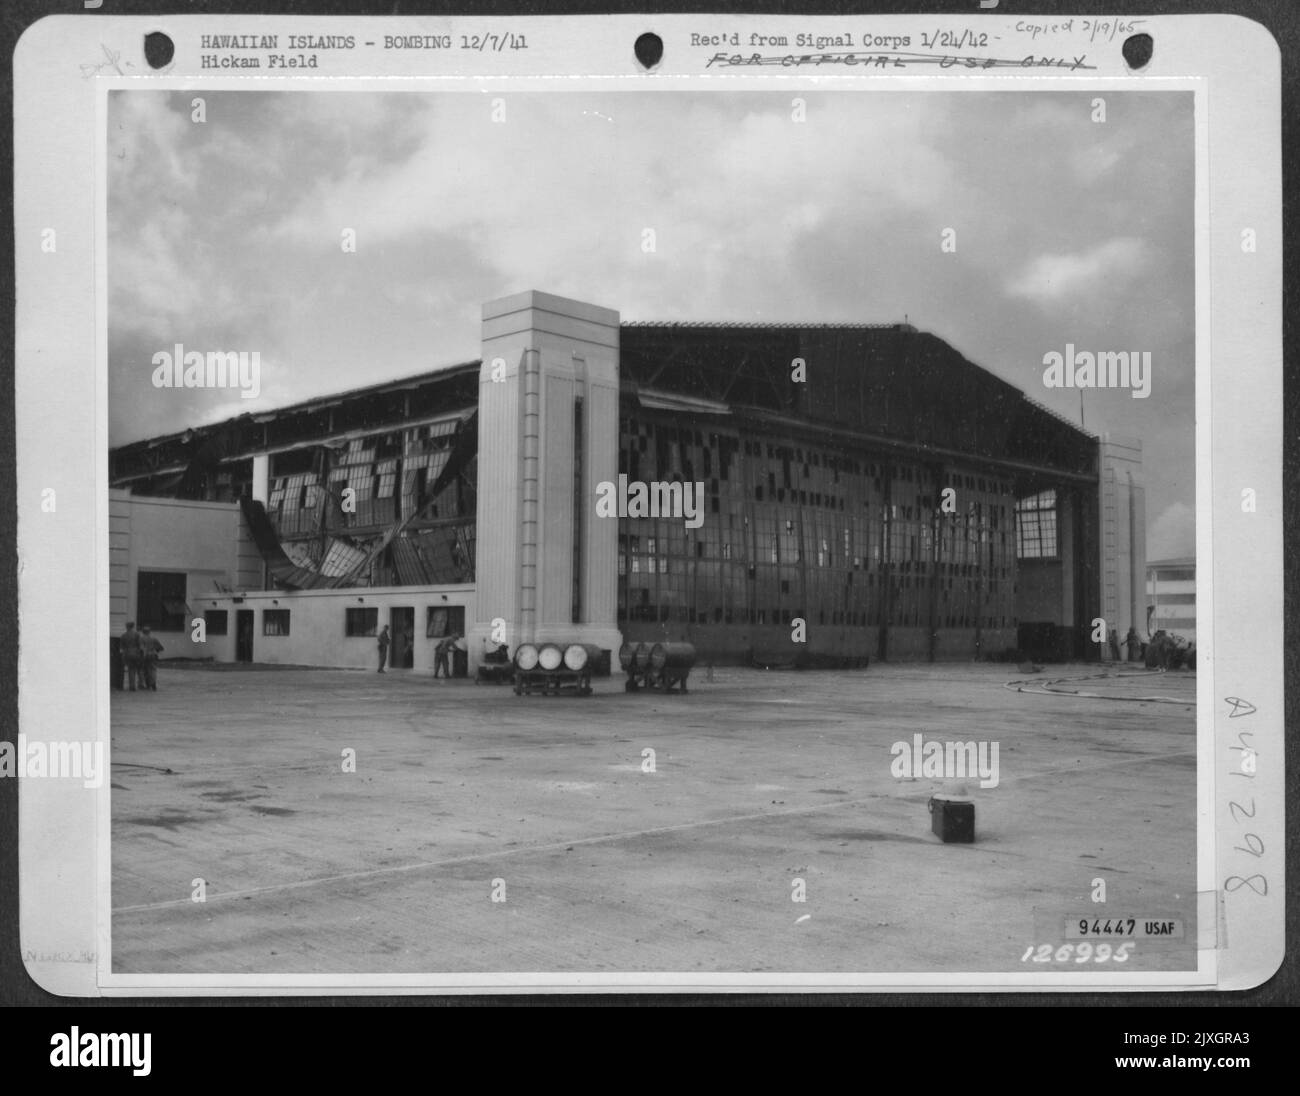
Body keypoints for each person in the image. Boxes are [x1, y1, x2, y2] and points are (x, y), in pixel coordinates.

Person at [119, 621, 143, 692]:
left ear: (127, 627)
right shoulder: (137, 634)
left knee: (131, 670)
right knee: (137, 669)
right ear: (133, 626)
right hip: (136, 653)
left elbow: (121, 647)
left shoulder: (123, 635)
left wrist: (123, 656)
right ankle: (139, 684)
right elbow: (140, 645)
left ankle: (132, 685)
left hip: (127, 654)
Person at [139, 626, 164, 691]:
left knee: (145, 670)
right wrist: (155, 650)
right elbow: (161, 647)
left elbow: (141, 649)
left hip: (145, 656)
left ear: (142, 632)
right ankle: (153, 683)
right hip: (153, 655)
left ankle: (147, 684)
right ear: (149, 632)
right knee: (153, 670)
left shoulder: (141, 639)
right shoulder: (154, 638)